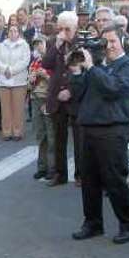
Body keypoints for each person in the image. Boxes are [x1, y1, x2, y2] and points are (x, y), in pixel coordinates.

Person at [68, 26, 129, 244]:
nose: (108, 46)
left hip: (113, 128)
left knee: (115, 179)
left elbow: (112, 89)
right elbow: (78, 94)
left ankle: (128, 225)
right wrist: (78, 72)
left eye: (112, 41)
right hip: (89, 127)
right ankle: (92, 223)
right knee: (89, 180)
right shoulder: (97, 67)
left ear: (122, 43)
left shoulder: (128, 65)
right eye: (105, 42)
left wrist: (90, 67)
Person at [42, 11, 81, 186]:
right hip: (57, 97)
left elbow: (84, 71)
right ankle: (60, 173)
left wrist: (71, 90)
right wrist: (56, 45)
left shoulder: (81, 42)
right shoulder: (54, 42)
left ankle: (80, 174)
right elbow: (47, 64)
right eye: (61, 28)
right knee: (58, 139)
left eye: (68, 28)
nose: (64, 32)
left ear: (75, 28)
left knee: (80, 139)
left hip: (76, 97)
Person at [0, 23, 30, 140]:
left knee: (18, 108)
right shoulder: (1, 44)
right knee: (5, 108)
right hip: (3, 80)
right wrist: (5, 69)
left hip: (18, 80)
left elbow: (25, 61)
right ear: (7, 32)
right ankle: (7, 132)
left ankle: (17, 132)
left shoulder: (24, 45)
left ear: (19, 33)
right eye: (10, 31)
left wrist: (12, 70)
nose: (13, 33)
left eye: (15, 31)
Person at [28, 37, 53, 179]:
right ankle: (42, 166)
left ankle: (52, 167)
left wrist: (46, 76)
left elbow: (57, 82)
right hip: (36, 98)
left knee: (51, 135)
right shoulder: (35, 62)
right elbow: (29, 85)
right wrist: (31, 80)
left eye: (41, 44)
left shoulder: (52, 62)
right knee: (40, 134)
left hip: (48, 98)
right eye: (36, 44)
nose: (38, 47)